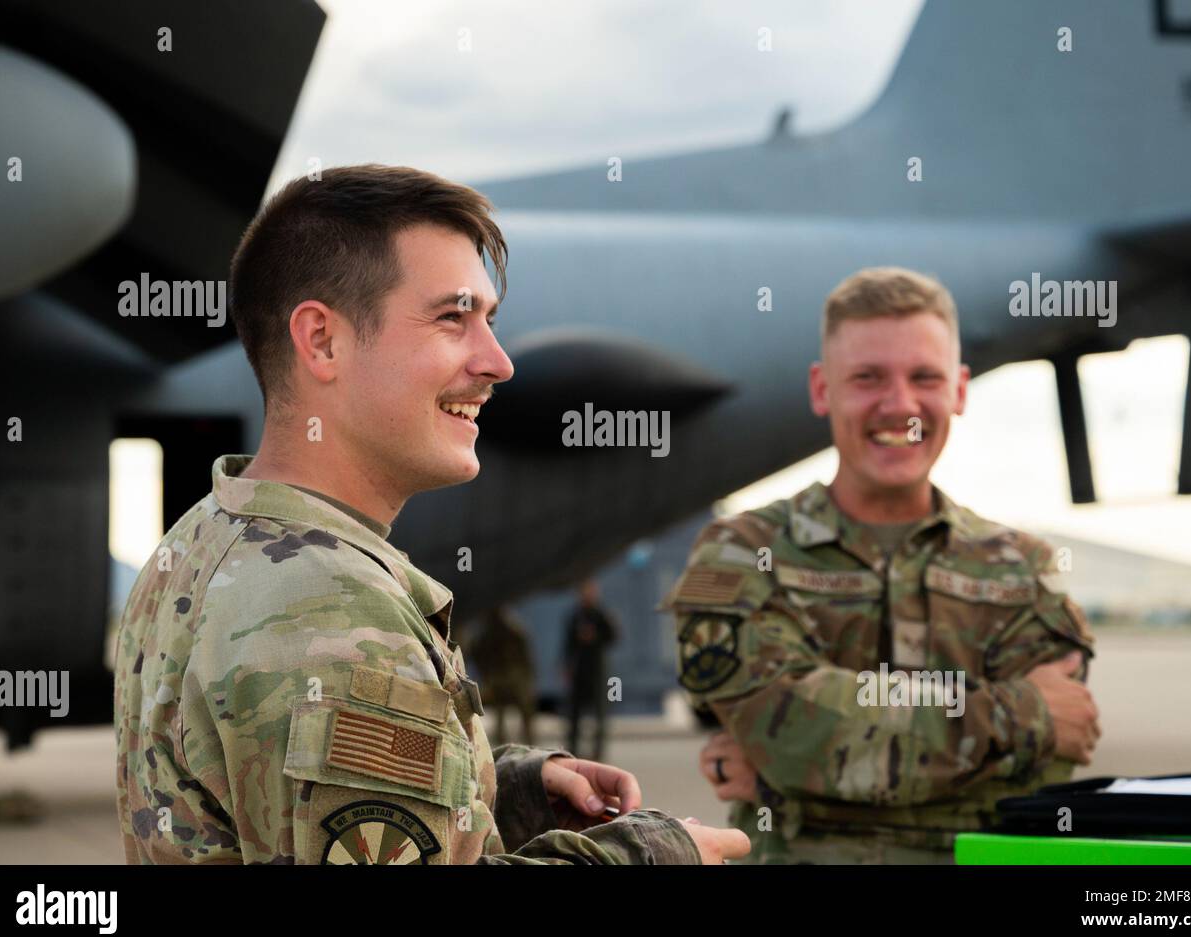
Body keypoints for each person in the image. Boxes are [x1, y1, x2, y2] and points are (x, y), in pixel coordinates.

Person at [113, 164, 748, 865]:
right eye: (454, 318)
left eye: (490, 320)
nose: (499, 362)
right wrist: (653, 853)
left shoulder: (205, 540)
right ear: (322, 340)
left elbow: (273, 808)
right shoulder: (328, 609)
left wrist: (509, 789)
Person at [662, 266, 1100, 864]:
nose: (901, 406)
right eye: (868, 378)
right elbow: (790, 734)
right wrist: (1020, 714)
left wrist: (801, 770)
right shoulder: (744, 552)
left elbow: (1060, 748)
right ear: (822, 389)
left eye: (925, 377)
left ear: (960, 390)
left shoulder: (1022, 567)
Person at [563, 579, 619, 761]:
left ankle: (598, 755)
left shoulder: (601, 614)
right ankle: (571, 752)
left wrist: (595, 636)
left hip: (598, 672)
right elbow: (568, 644)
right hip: (580, 671)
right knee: (574, 717)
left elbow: (614, 637)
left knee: (600, 716)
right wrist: (566, 666)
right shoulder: (575, 615)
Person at [471, 607, 537, 747]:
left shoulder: (512, 631)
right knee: (503, 714)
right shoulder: (491, 633)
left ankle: (525, 745)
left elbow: (526, 658)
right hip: (503, 679)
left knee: (521, 712)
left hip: (510, 678)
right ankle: (510, 747)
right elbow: (476, 653)